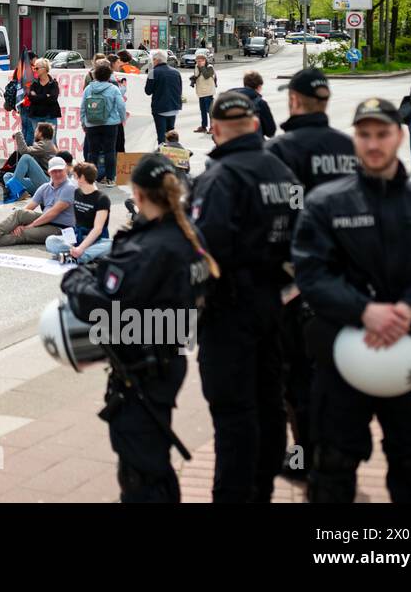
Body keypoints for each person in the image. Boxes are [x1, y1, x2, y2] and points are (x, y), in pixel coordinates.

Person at [293, 97, 411, 503]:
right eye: (365, 134)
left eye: (382, 134)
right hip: (340, 360)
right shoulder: (325, 205)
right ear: (355, 139)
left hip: (410, 358)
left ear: (400, 136)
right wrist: (364, 311)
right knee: (332, 466)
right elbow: (312, 273)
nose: (373, 144)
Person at [61, 153, 215, 502]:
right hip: (165, 357)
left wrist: (75, 280)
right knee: (153, 461)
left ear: (140, 196)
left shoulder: (150, 246)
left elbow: (101, 300)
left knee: (140, 469)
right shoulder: (191, 237)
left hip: (142, 367)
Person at [189, 91, 301, 503]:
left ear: (215, 130)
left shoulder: (218, 180)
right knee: (270, 404)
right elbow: (301, 241)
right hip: (274, 308)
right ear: (255, 125)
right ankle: (263, 489)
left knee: (233, 415)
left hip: (228, 313)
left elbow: (204, 255)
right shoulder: (283, 174)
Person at [266, 67, 358, 475]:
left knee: (297, 374)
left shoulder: (281, 151)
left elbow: (273, 217)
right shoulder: (349, 147)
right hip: (345, 278)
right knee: (338, 368)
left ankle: (304, 456)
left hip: (295, 281)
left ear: (295, 100)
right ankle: (339, 449)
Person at [0, 156, 75, 248]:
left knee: (22, 233)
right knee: (19, 214)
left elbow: (52, 214)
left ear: (65, 170)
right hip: (47, 220)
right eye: (54, 171)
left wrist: (29, 226)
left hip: (61, 228)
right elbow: (29, 208)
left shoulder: (69, 187)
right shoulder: (45, 187)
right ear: (49, 172)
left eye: (60, 170)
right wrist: (16, 224)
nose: (57, 174)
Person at [46, 162, 112, 263]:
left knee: (113, 244)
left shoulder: (102, 198)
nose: (73, 179)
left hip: (96, 239)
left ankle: (77, 256)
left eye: (75, 176)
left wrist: (80, 248)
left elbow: (98, 229)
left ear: (82, 178)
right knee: (50, 240)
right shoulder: (77, 193)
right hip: (78, 237)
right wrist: (73, 243)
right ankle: (81, 256)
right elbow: (77, 222)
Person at [80, 62, 126, 187]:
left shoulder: (89, 88)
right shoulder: (113, 89)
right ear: (109, 76)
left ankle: (91, 179)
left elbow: (83, 107)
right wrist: (121, 119)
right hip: (110, 125)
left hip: (92, 124)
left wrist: (83, 122)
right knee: (110, 151)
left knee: (92, 152)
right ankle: (110, 178)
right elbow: (121, 106)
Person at [145, 50, 182, 145]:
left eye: (153, 60)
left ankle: (162, 156)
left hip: (160, 108)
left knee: (161, 135)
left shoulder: (153, 72)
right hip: (174, 107)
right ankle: (173, 154)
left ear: (156, 60)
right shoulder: (176, 72)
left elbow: (148, 91)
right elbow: (179, 89)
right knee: (171, 134)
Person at [21, 58, 61, 147]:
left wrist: (38, 96)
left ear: (44, 69)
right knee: (37, 142)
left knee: (52, 141)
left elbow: (53, 98)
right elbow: (31, 98)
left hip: (50, 116)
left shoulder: (53, 83)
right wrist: (45, 96)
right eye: (34, 68)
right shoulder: (34, 83)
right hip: (36, 116)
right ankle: (38, 160)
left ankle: (52, 160)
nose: (35, 70)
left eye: (37, 68)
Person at [10, 122, 59, 194]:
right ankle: (20, 192)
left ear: (40, 133)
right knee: (7, 176)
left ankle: (13, 190)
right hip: (41, 182)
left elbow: (24, 151)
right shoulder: (46, 144)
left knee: (26, 158)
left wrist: (18, 134)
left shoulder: (45, 145)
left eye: (36, 131)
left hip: (48, 183)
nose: (34, 133)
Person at [230, 70, 277, 139]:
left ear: (245, 84)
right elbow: (270, 131)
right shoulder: (260, 103)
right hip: (253, 144)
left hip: (229, 144)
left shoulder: (228, 100)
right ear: (259, 87)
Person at [190, 51, 218, 133]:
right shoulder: (196, 67)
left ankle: (213, 127)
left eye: (201, 61)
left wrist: (202, 67)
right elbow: (196, 76)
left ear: (205, 60)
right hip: (201, 92)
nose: (199, 62)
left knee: (210, 111)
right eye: (197, 61)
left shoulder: (210, 67)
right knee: (202, 110)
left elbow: (206, 76)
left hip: (208, 92)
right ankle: (203, 126)